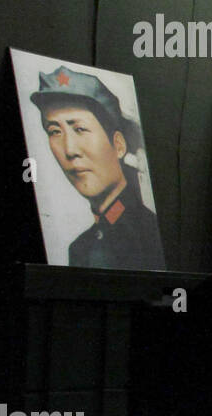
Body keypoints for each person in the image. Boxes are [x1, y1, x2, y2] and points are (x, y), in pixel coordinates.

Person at [29, 64, 165, 270]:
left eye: (80, 129)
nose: (70, 150)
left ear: (118, 145)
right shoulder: (81, 247)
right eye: (55, 131)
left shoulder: (148, 237)